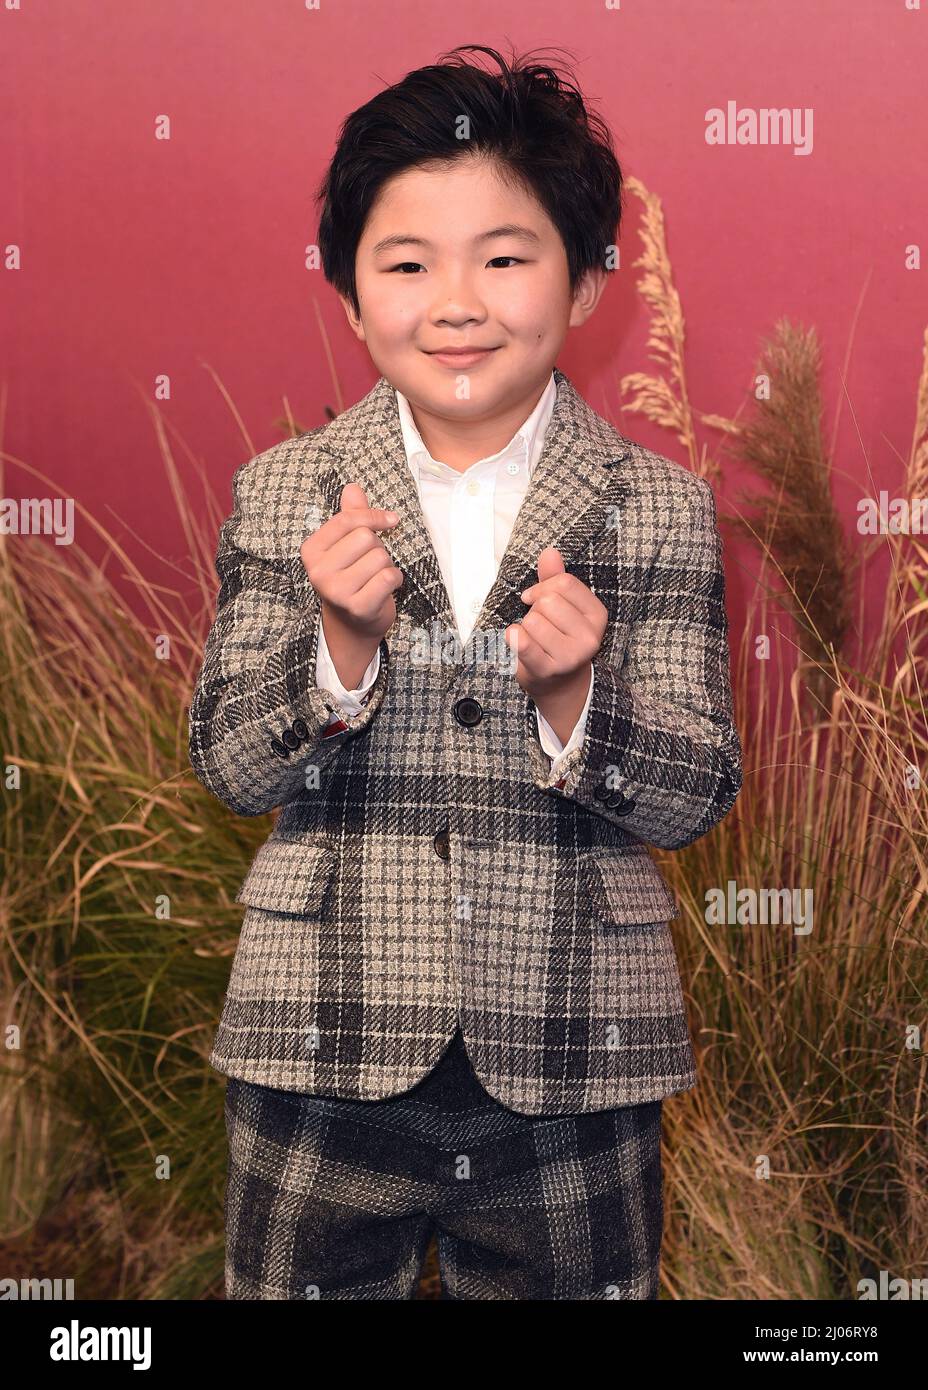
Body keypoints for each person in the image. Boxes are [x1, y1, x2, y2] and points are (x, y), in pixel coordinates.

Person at [188, 43, 743, 1300]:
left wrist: (578, 703)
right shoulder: (283, 491)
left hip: (574, 1047)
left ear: (588, 282)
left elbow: (701, 789)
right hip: (319, 1038)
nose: (456, 300)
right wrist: (334, 648)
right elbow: (225, 763)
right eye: (406, 263)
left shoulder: (655, 506)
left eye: (503, 256)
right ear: (347, 295)